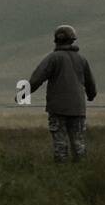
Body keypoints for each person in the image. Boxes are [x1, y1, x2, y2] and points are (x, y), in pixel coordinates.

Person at [26, 25, 97, 163]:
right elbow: (91, 83)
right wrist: (91, 95)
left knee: (60, 142)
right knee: (79, 142)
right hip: (78, 108)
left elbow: (37, 78)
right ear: (73, 40)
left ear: (56, 40)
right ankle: (81, 168)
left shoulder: (53, 58)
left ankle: (61, 170)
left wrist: (23, 94)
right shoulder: (82, 59)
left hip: (58, 108)